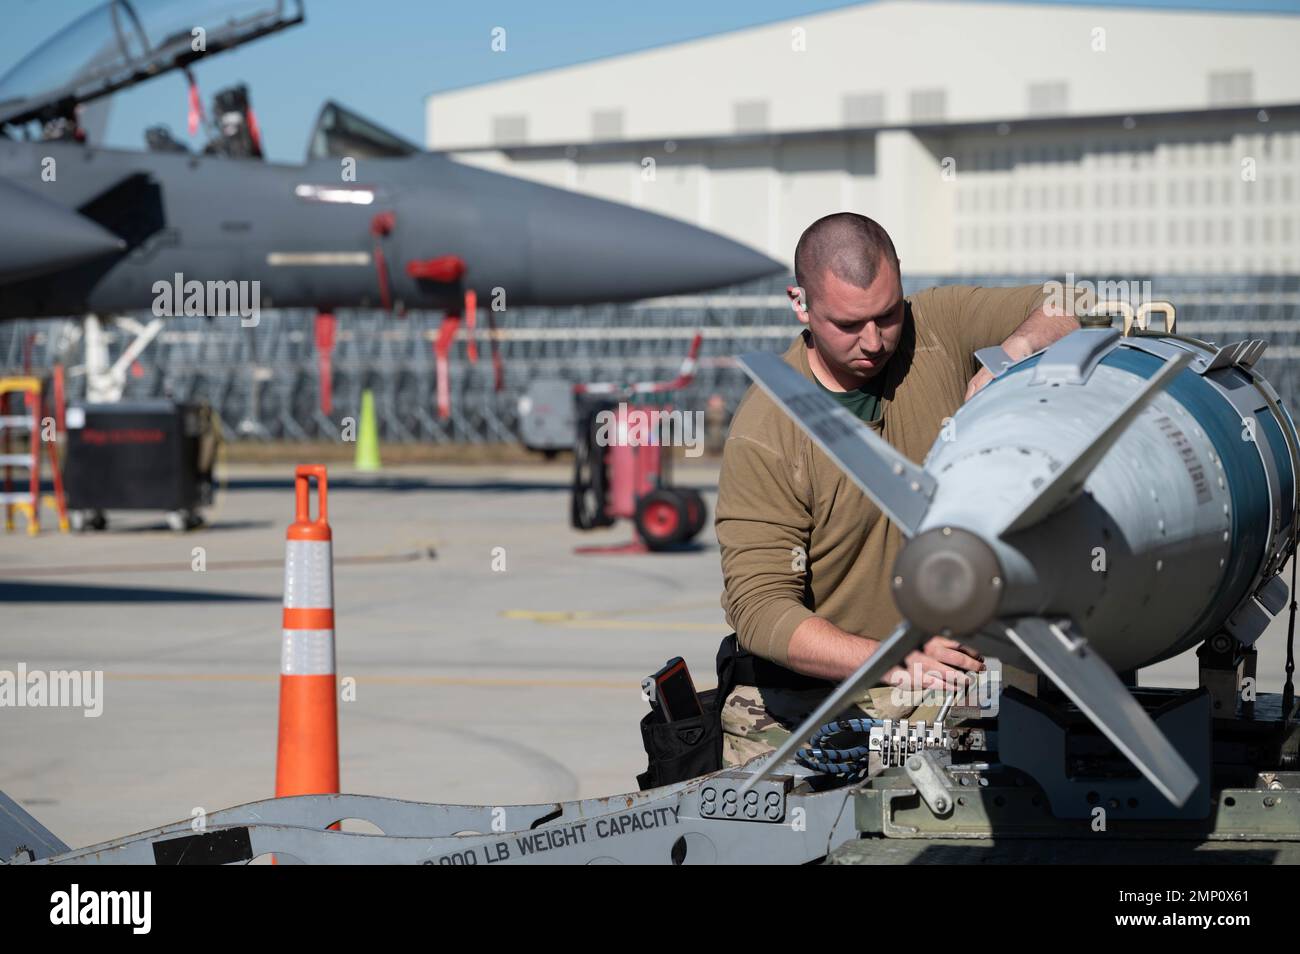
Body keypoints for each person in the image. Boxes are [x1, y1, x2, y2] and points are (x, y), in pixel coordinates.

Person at [716, 212, 1083, 766]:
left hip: (946, 697)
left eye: (887, 314)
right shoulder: (767, 431)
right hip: (807, 714)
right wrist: (895, 655)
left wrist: (1006, 362)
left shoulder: (935, 325)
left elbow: (1067, 303)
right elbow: (761, 610)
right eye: (848, 323)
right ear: (800, 304)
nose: (874, 341)